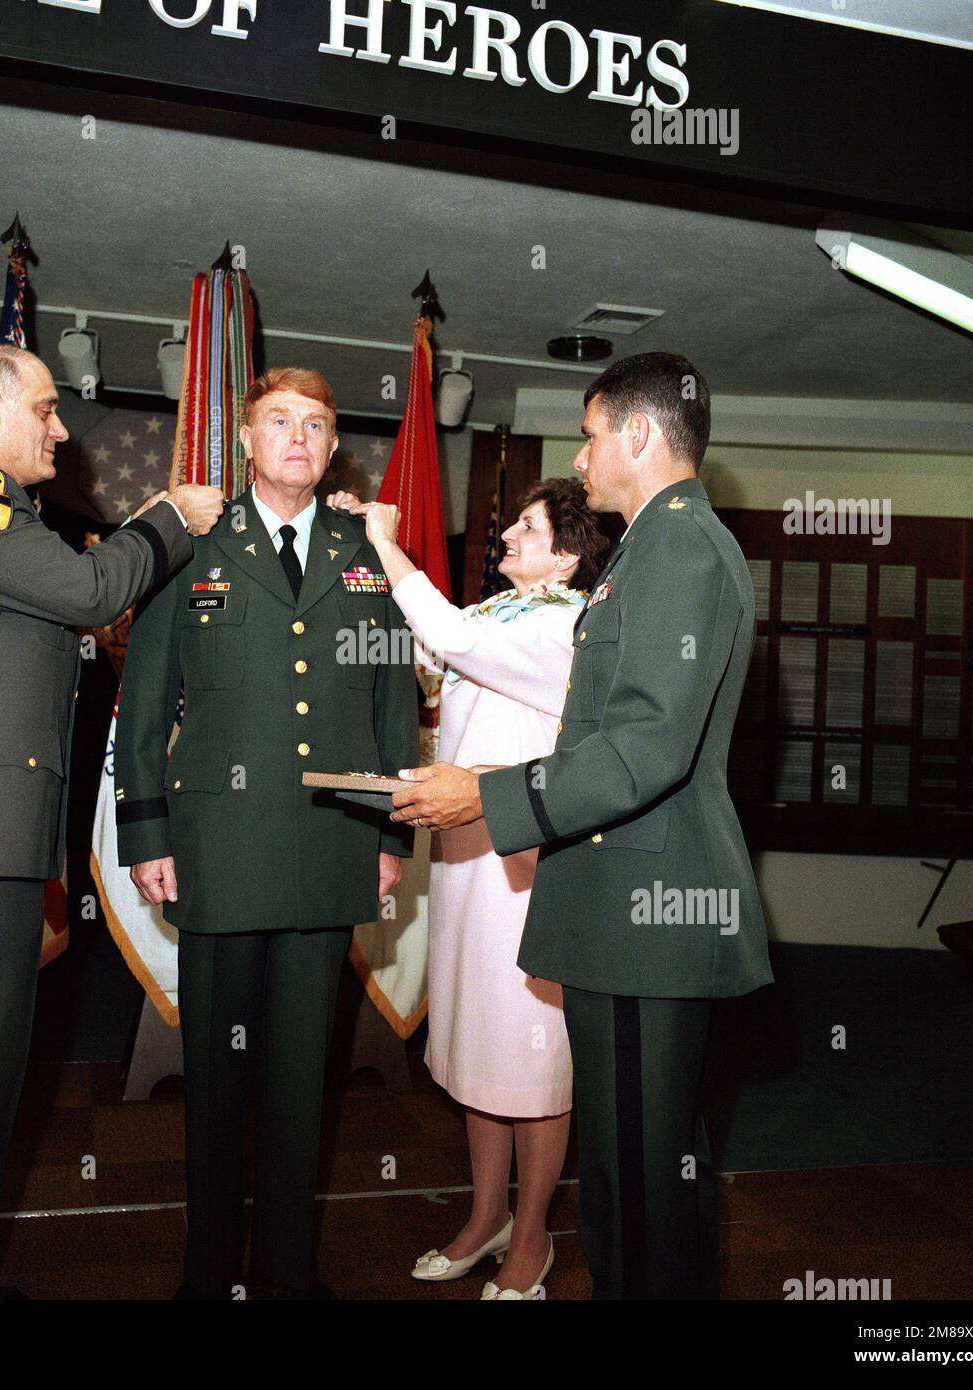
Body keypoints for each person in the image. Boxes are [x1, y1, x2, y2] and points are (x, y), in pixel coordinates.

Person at [390, 352, 773, 1299]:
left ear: (639, 434)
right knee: (632, 1174)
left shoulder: (678, 547)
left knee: (639, 1184)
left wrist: (486, 796)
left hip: (645, 911)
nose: (583, 451)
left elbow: (643, 746)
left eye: (593, 432)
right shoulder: (654, 544)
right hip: (625, 903)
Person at [0, 342, 222, 1299]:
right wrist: (170, 519)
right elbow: (88, 593)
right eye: (46, 409)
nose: (61, 430)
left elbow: (43, 629)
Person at [115, 367, 418, 1299]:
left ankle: (288, 1272)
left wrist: (391, 837)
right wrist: (145, 832)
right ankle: (207, 1275)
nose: (297, 436)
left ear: (331, 449)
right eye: (277, 421)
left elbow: (391, 703)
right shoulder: (192, 544)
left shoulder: (363, 551)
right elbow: (142, 705)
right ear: (246, 443)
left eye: (315, 424)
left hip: (332, 843)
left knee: (300, 1084)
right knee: (214, 1082)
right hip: (215, 847)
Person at [338, 480, 609, 1299]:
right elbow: (419, 649)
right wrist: (352, 550)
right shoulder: (497, 616)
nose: (505, 539)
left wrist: (389, 542)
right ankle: (485, 1214)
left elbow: (444, 634)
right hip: (462, 850)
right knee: (472, 1047)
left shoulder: (566, 623)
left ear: (566, 554)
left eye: (527, 529)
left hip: (522, 863)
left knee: (529, 1055)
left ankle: (532, 1238)